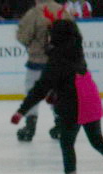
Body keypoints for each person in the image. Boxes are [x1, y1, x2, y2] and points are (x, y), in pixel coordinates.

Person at [11, 19, 103, 174]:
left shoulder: (57, 58)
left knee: (67, 143)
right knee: (97, 140)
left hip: (73, 102)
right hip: (90, 95)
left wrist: (22, 111)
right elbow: (62, 78)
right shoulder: (76, 50)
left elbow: (41, 87)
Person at [15, 0, 69, 142]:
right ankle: (60, 123)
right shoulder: (62, 11)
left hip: (37, 61)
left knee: (32, 93)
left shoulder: (34, 13)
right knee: (57, 93)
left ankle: (30, 126)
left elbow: (23, 37)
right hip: (59, 62)